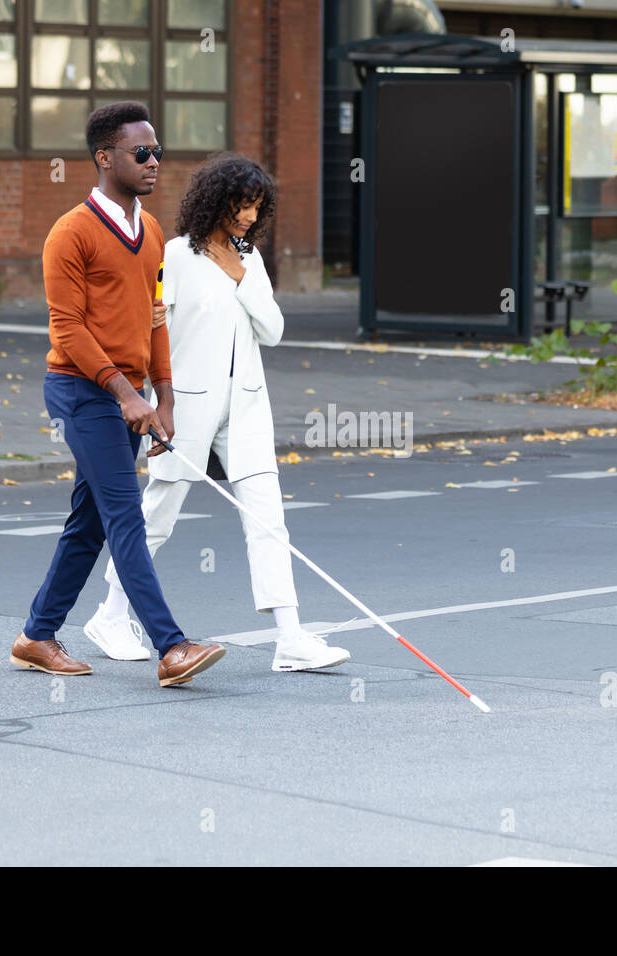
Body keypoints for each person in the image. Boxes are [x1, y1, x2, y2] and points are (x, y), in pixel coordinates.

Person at [83, 154, 350, 673]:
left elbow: (272, 331)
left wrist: (241, 275)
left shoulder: (250, 259)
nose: (249, 216)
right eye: (240, 205)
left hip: (248, 405)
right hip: (187, 405)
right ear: (215, 201)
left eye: (256, 206)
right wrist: (154, 399)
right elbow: (154, 331)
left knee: (268, 517)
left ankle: (290, 637)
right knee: (158, 513)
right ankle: (111, 614)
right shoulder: (177, 254)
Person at [11, 101, 225, 688]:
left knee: (90, 522)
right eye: (142, 153)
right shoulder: (71, 232)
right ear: (105, 158)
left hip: (128, 393)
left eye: (158, 152)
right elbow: (68, 329)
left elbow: (156, 318)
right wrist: (122, 394)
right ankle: (172, 646)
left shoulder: (152, 231)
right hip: (81, 391)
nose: (155, 162)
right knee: (125, 514)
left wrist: (165, 399)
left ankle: (36, 636)